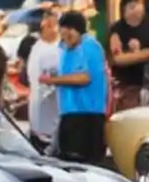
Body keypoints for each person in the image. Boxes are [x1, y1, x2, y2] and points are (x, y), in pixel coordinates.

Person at [43, 11, 108, 165]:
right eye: (63, 36)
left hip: (87, 113)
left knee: (85, 162)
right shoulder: (65, 49)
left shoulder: (89, 47)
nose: (65, 40)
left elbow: (85, 77)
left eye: (69, 35)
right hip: (69, 112)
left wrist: (54, 80)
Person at [108, 0, 149, 113]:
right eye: (132, 7)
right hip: (126, 85)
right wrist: (146, 53)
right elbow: (117, 58)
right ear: (124, 11)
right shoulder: (117, 30)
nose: (137, 9)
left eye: (139, 5)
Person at [25, 10, 62, 146]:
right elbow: (35, 78)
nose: (53, 29)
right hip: (41, 106)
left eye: (56, 25)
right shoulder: (37, 50)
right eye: (49, 25)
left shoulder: (63, 48)